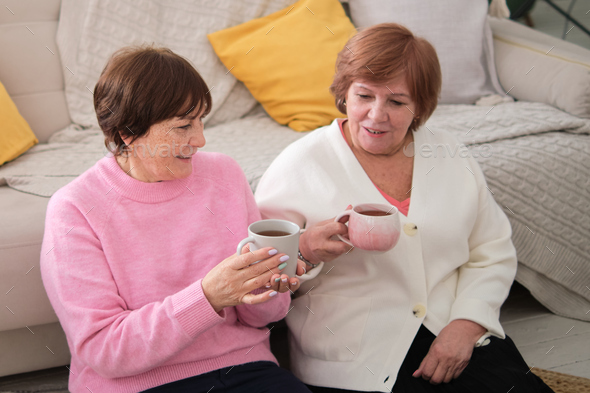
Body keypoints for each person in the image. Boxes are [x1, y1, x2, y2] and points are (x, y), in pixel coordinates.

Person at [255, 24, 554, 393]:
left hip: (453, 329)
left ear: (420, 107)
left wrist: (467, 324)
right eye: (364, 96)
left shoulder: (449, 154)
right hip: (354, 357)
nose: (376, 115)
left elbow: (491, 252)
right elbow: (259, 274)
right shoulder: (300, 164)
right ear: (344, 93)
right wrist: (306, 250)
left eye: (396, 102)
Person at [40, 46, 310, 393]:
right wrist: (208, 297)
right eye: (183, 126)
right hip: (136, 385)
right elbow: (104, 349)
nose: (199, 140)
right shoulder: (75, 208)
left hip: (242, 368)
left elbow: (262, 317)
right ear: (127, 132)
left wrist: (267, 286)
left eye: (201, 121)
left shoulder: (224, 174)